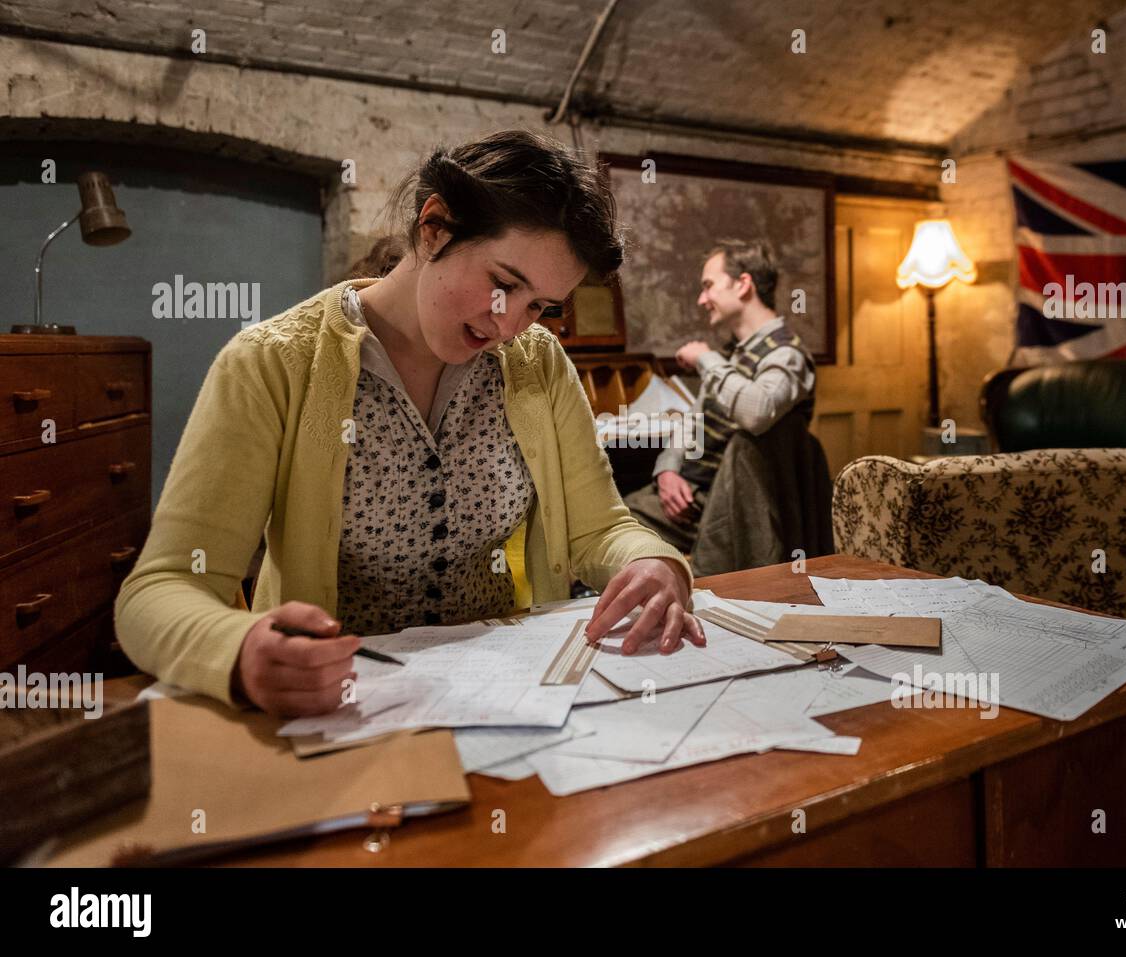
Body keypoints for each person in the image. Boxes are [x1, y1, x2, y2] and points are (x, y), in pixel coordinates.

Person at [115, 129, 702, 719]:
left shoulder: (537, 364)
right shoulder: (273, 363)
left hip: (508, 697)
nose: (510, 327)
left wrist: (651, 561)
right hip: (341, 711)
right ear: (435, 225)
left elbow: (598, 528)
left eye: (540, 307)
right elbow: (159, 592)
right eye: (504, 286)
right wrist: (238, 651)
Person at [624, 240, 816, 553]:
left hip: (731, 510)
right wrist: (668, 470)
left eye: (708, 286)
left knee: (616, 523)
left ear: (743, 285)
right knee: (613, 514)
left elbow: (756, 412)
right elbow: (694, 421)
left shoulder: (787, 354)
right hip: (694, 491)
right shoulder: (732, 353)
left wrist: (706, 360)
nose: (702, 299)